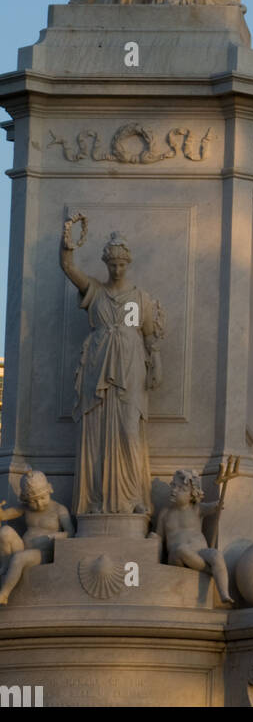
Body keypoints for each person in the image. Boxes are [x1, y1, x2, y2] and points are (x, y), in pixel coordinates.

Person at [59, 222, 165, 516]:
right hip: (98, 362)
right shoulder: (95, 290)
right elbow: (68, 268)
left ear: (127, 263)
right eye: (113, 264)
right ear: (106, 263)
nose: (117, 269)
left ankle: (133, 497)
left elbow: (148, 336)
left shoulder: (140, 297)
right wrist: (67, 246)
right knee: (97, 432)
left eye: (121, 264)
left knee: (129, 431)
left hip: (131, 366)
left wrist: (156, 364)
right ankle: (96, 499)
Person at [152, 468, 233, 605]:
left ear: (192, 495)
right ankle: (210, 570)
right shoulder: (165, 514)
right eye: (173, 486)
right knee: (181, 549)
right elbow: (159, 537)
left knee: (216, 555)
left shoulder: (197, 509)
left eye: (181, 489)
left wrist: (218, 505)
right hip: (176, 556)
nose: (175, 490)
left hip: (200, 552)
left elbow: (215, 506)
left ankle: (224, 593)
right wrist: (152, 539)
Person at [0, 469, 74, 605]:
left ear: (49, 490)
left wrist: (55, 536)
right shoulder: (26, 508)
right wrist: (1, 513)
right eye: (33, 501)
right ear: (26, 499)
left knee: (19, 558)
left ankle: (4, 593)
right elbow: (6, 515)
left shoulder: (59, 509)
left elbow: (71, 533)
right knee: (5, 531)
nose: (39, 504)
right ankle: (4, 566)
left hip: (42, 553)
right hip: (22, 547)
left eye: (42, 498)